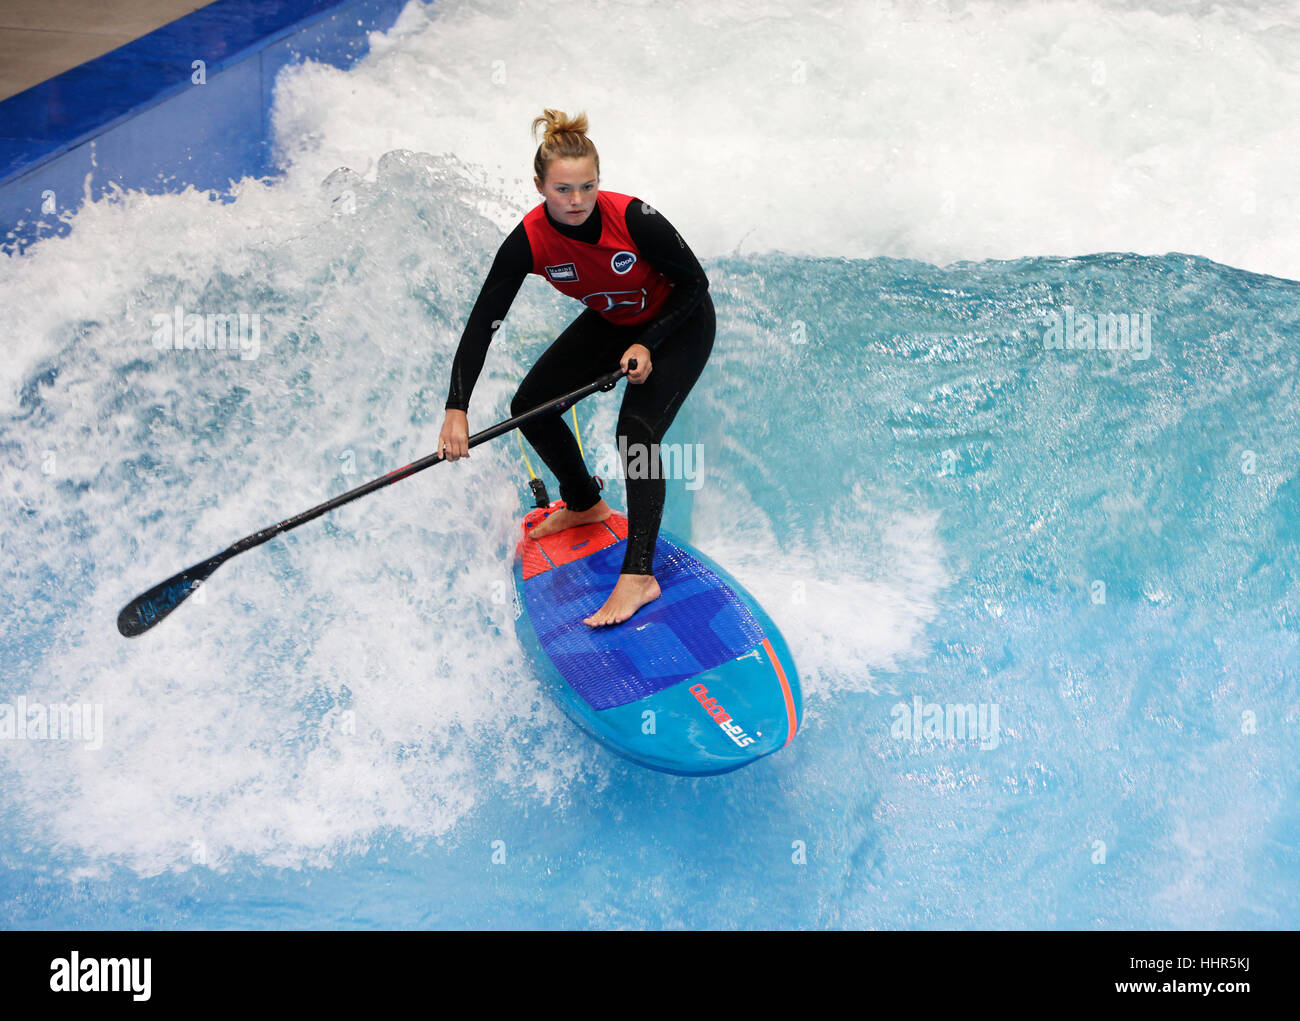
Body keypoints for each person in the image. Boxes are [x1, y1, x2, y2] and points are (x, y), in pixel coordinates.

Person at [437, 108, 715, 627]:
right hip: (616, 318)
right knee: (532, 409)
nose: (577, 201)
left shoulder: (634, 219)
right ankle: (585, 502)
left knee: (636, 431)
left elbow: (695, 284)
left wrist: (649, 343)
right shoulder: (529, 241)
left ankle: (638, 575)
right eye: (563, 189)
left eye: (587, 187)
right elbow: (483, 324)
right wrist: (457, 409)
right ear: (539, 185)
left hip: (680, 323)